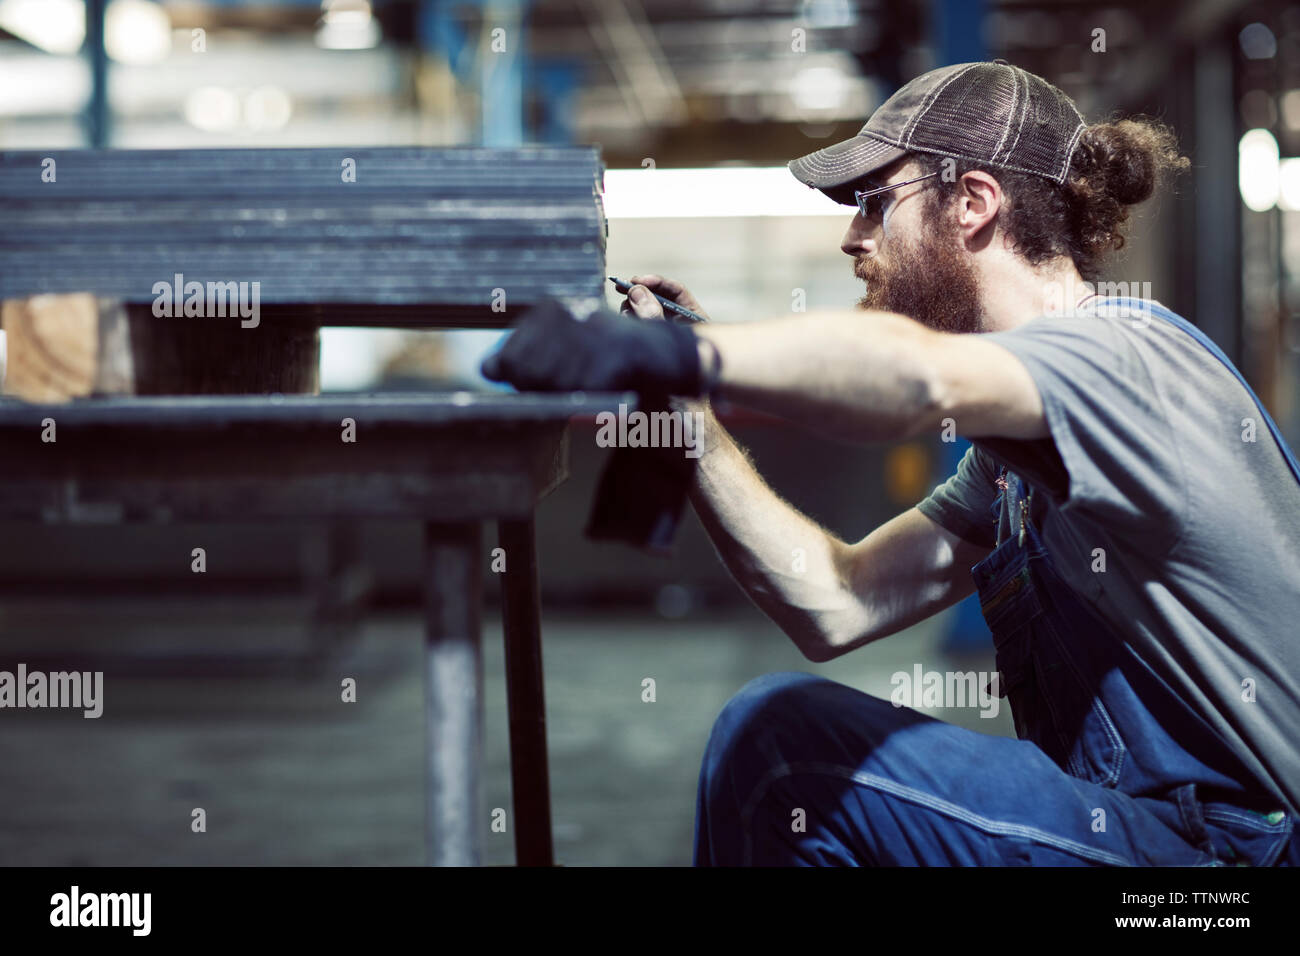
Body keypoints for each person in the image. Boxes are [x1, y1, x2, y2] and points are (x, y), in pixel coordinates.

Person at [481, 60, 1300, 866]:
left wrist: (681, 355)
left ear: (973, 203)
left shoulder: (1122, 356)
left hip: (1228, 868)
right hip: (1151, 842)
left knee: (783, 749)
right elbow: (836, 604)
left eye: (875, 203)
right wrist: (691, 413)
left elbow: (915, 374)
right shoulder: (1012, 465)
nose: (851, 237)